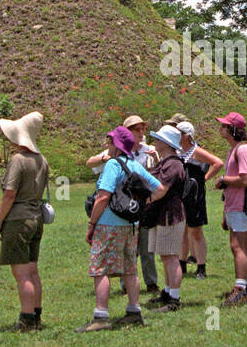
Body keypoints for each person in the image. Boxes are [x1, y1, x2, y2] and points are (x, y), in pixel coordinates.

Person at [81, 126, 161, 332]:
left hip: (109, 224)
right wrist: (142, 204)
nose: (107, 146)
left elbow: (103, 196)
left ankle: (101, 316)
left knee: (100, 269)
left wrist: (92, 223)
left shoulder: (113, 165)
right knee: (129, 269)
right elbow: (159, 189)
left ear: (115, 145)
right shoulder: (134, 164)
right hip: (131, 225)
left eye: (109, 142)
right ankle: (134, 311)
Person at [0, 111, 50, 332]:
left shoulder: (18, 160)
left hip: (18, 219)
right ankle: (36, 315)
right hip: (36, 218)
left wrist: (0, 220)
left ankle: (26, 320)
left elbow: (10, 193)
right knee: (33, 271)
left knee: (21, 274)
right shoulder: (42, 160)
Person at [214, 112, 247, 306]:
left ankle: (240, 289)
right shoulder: (234, 150)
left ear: (233, 129)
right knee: (241, 245)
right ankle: (246, 284)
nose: (220, 128)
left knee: (238, 246)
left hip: (241, 205)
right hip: (234, 205)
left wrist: (223, 180)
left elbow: (246, 179)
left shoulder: (243, 150)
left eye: (224, 126)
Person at [146, 125, 189, 312]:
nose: (155, 142)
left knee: (171, 257)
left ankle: (174, 299)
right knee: (165, 256)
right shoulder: (166, 162)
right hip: (162, 214)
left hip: (171, 215)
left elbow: (161, 190)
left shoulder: (173, 164)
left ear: (165, 143)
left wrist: (144, 200)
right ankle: (167, 291)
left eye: (158, 139)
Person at [175, 120, 224, 279]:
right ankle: (181, 264)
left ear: (187, 136)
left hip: (195, 196)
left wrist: (204, 179)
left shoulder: (196, 151)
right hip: (180, 195)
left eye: (180, 133)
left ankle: (201, 267)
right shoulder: (177, 151)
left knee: (196, 231)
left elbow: (217, 163)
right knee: (182, 230)